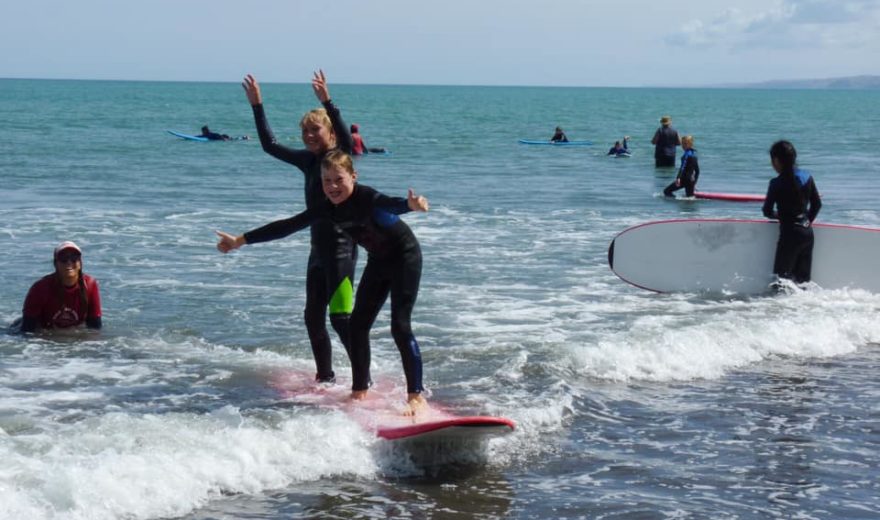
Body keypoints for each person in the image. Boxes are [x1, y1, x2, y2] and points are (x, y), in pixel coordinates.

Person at [217, 150, 430, 414]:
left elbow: (391, 204)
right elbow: (289, 225)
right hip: (378, 260)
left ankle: (415, 396)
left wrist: (411, 205)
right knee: (357, 327)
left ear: (353, 176)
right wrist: (240, 240)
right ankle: (360, 391)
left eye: (338, 179)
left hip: (405, 258)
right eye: (327, 181)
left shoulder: (367, 197)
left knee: (400, 325)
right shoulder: (328, 209)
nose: (332, 187)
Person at [241, 70, 355, 384]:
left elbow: (348, 143)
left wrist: (328, 102)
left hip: (342, 249)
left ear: (329, 133)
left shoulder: (338, 157)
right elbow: (270, 145)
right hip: (317, 251)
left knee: (341, 319)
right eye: (305, 131)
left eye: (314, 130)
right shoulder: (307, 162)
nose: (308, 136)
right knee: (312, 319)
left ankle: (363, 379)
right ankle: (325, 378)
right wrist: (257, 106)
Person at [762, 140, 822, 284]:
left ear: (776, 160)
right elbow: (817, 204)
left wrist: (782, 217)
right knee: (803, 283)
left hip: (789, 235)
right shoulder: (807, 177)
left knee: (780, 282)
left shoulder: (776, 183)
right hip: (807, 234)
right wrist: (806, 221)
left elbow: (767, 211)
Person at [18, 241, 102, 333]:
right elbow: (27, 330)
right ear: (55, 264)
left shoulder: (89, 285)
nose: (69, 262)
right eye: (63, 258)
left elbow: (95, 327)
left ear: (80, 263)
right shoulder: (40, 288)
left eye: (74, 258)